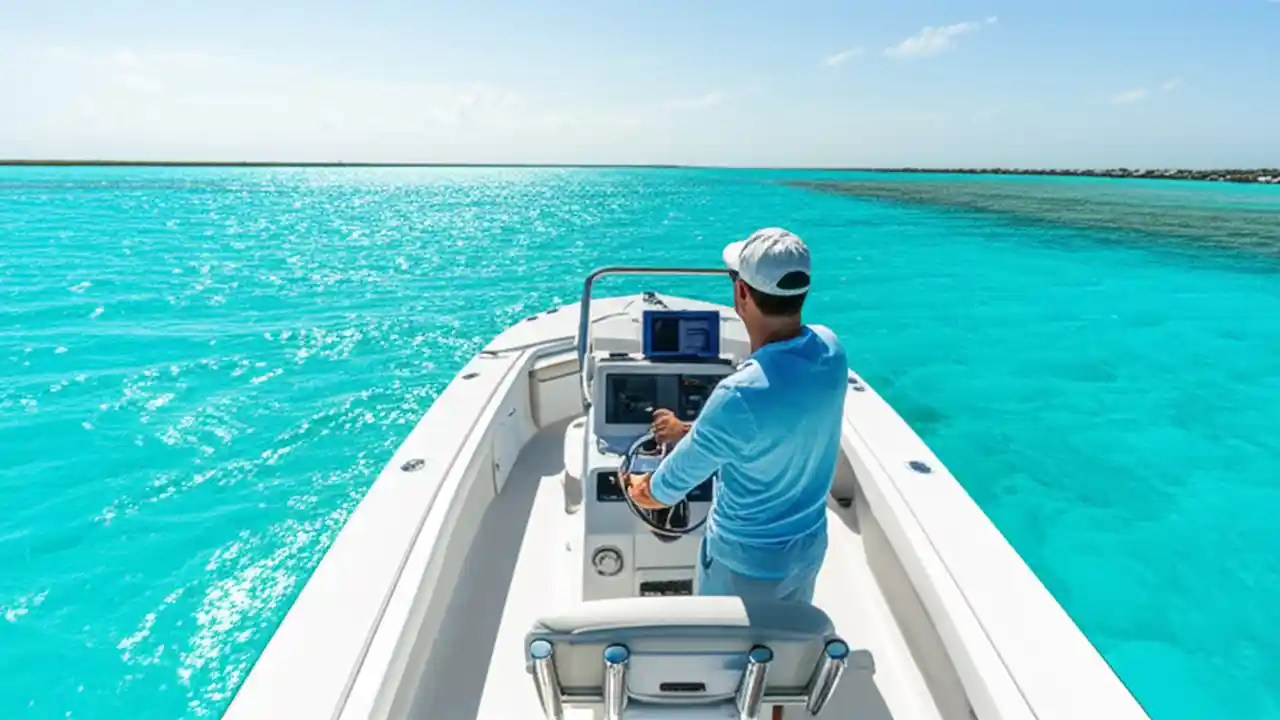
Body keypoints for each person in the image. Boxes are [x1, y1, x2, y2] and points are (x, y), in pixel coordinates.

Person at [622, 227, 847, 603]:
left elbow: (659, 495)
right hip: (806, 552)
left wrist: (630, 483)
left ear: (741, 292)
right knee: (785, 642)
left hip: (744, 565)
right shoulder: (830, 349)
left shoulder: (737, 395)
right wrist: (687, 431)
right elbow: (773, 425)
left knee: (729, 653)